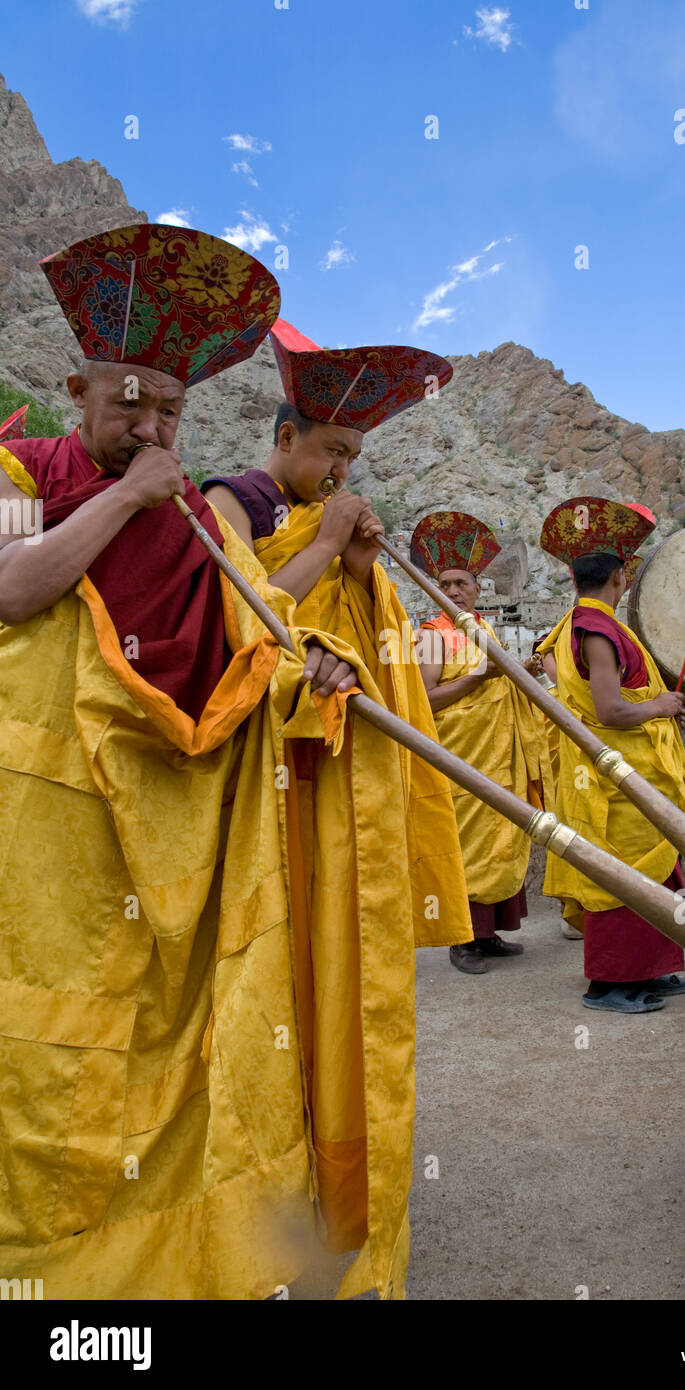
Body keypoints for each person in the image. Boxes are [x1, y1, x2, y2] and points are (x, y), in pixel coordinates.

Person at [0, 224, 413, 1300]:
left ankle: (147, 1275)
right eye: (125, 399)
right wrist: (129, 496)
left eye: (168, 410)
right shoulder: (17, 467)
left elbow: (252, 632)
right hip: (35, 828)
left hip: (168, 835)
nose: (146, 424)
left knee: (154, 1056)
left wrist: (309, 672)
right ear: (75, 386)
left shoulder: (196, 519)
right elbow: (11, 588)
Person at [199, 322, 474, 1267]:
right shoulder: (229, 499)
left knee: (340, 983)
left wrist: (361, 571)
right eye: (330, 451)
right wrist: (325, 546)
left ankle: (337, 1189)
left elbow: (367, 648)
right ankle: (265, 1198)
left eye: (354, 457)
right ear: (284, 439)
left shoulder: (328, 517)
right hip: (262, 781)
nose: (340, 470)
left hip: (335, 780)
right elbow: (240, 600)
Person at [537, 497, 685, 1014]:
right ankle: (610, 985)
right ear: (621, 576)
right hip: (617, 781)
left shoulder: (578, 627)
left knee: (659, 875)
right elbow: (607, 710)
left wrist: (662, 708)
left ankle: (654, 970)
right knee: (626, 880)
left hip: (634, 774)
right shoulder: (596, 631)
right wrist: (660, 704)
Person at [414, 511, 553, 975]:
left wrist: (522, 672)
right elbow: (426, 702)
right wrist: (478, 677)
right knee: (466, 844)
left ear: (478, 588)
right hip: (462, 759)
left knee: (501, 838)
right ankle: (462, 940)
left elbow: (497, 681)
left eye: (461, 583)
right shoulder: (431, 637)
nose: (452, 591)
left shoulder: (482, 629)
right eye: (444, 583)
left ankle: (489, 934)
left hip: (500, 760)